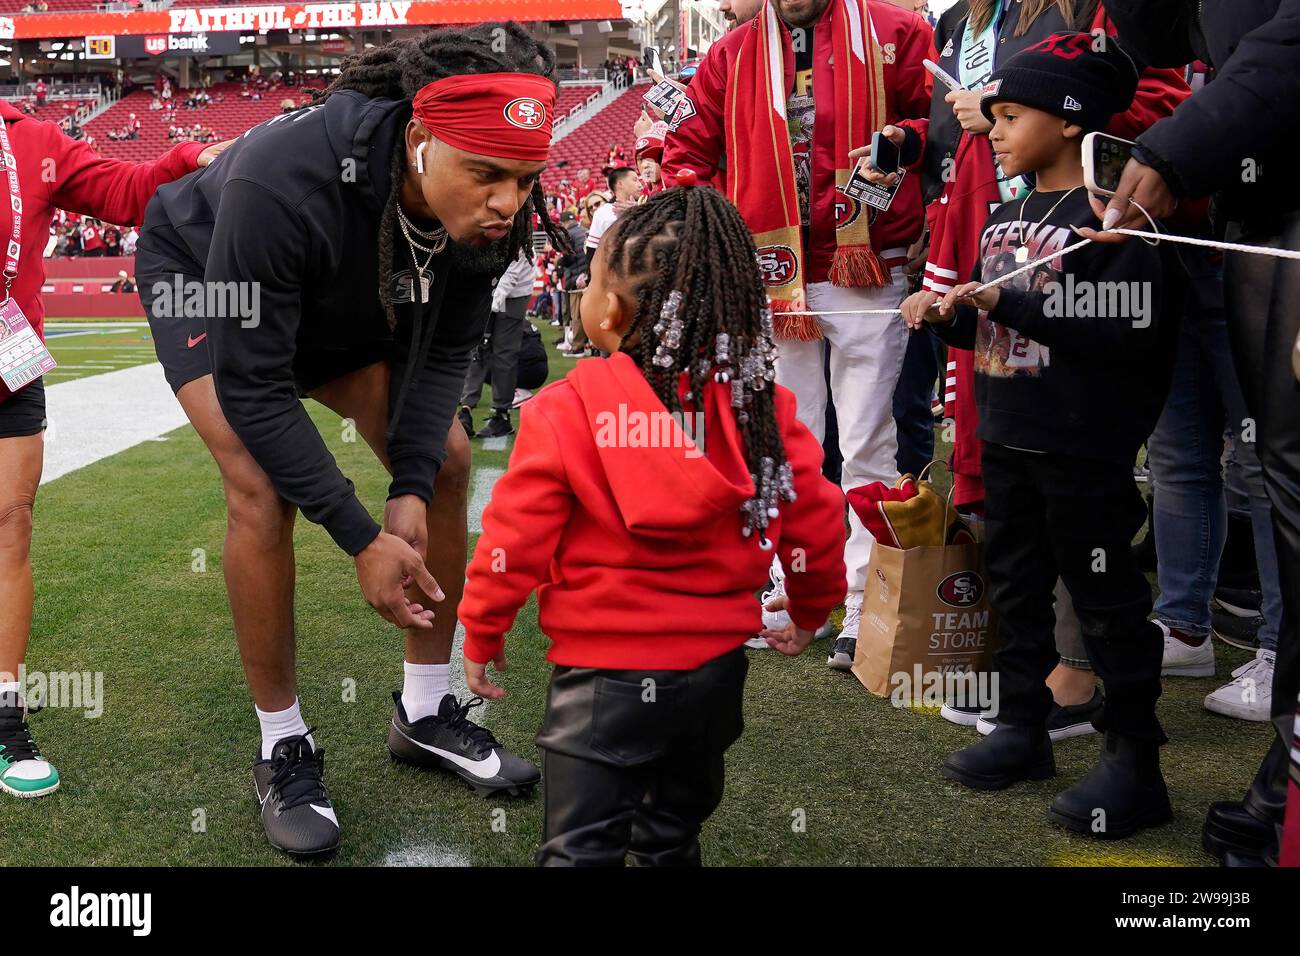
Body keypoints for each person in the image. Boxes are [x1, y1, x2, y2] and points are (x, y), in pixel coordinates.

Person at [133, 24, 567, 857]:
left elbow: (446, 349)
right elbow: (255, 389)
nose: (509, 202)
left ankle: (426, 709)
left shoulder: (493, 198)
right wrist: (362, 535)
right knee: (261, 487)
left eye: (523, 179)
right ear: (419, 139)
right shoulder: (281, 182)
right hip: (205, 275)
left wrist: (405, 486)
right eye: (485, 174)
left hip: (347, 279)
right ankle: (282, 743)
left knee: (442, 457)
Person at [458, 181, 847, 866]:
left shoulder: (567, 408)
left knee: (580, 852)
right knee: (669, 839)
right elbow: (814, 518)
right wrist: (813, 607)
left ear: (607, 308)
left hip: (602, 684)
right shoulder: (765, 408)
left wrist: (484, 628)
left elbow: (512, 540)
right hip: (715, 680)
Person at [905, 35, 1182, 839]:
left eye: (1010, 114)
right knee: (1017, 589)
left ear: (1067, 122)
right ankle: (1021, 727)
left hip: (1081, 444)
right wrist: (951, 318)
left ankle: (1136, 760)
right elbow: (1004, 337)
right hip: (1009, 436)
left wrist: (998, 305)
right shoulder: (1005, 211)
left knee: (1105, 601)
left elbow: (1119, 326)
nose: (992, 128)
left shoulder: (1114, 219)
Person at [662, 0, 934, 671]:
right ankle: (801, 592)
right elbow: (687, 151)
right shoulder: (728, 56)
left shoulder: (897, 31)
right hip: (769, 269)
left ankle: (866, 596)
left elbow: (945, 125)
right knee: (792, 442)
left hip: (866, 265)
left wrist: (905, 142)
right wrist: (707, 224)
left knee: (870, 440)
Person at [1102, 0, 1300, 868]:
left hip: (1271, 206)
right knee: (1273, 477)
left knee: (1277, 477)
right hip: (1263, 206)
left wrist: (1175, 144)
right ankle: (1288, 771)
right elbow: (1162, 38)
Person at [0, 97, 225, 802]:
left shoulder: (30, 138)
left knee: (10, 529)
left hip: (8, 362)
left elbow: (128, 193)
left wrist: (192, 157)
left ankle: (5, 708)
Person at [458, 249, 537, 439]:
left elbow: (512, 269)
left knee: (504, 351)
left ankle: (502, 414)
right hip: (486, 286)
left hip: (515, 290)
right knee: (477, 347)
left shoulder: (517, 227)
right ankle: (466, 409)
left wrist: (497, 295)